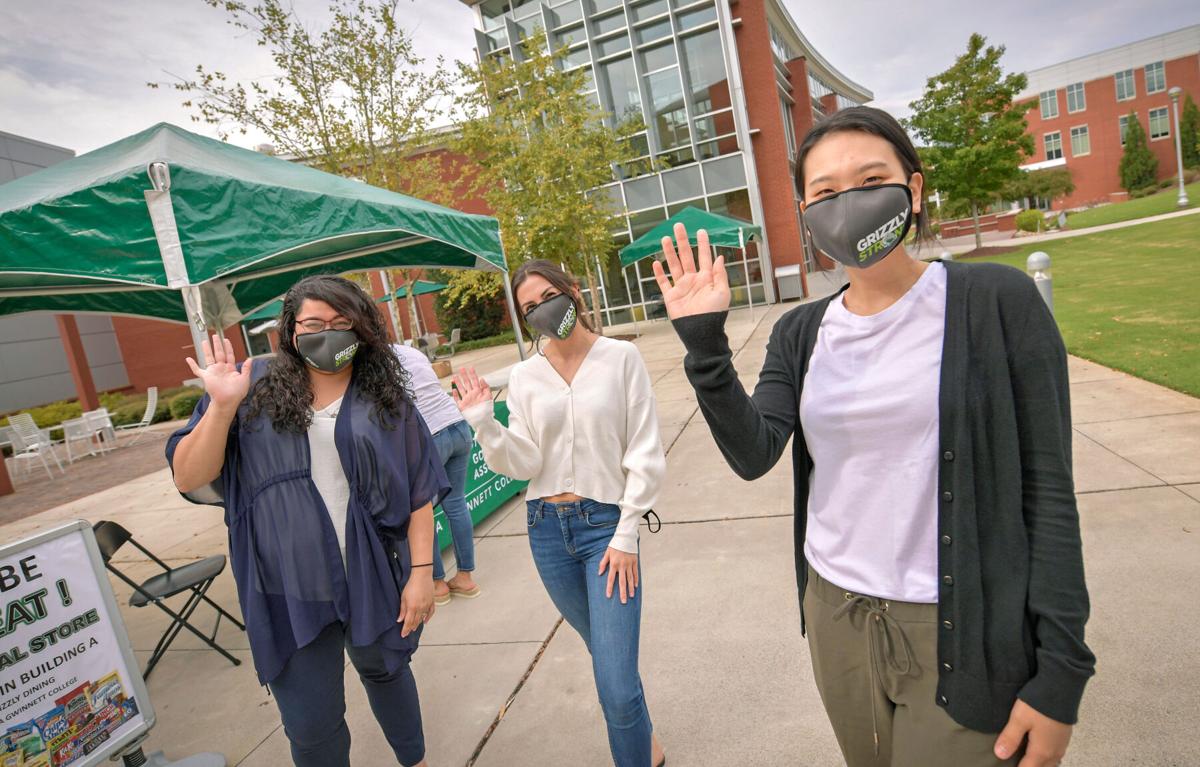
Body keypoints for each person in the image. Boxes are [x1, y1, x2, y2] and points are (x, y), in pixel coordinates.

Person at [653, 106, 1094, 767]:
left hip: (961, 624)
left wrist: (1062, 673)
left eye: (870, 180)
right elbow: (753, 452)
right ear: (806, 212)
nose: (848, 203)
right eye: (826, 193)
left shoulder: (999, 303)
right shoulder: (799, 333)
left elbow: (1049, 493)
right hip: (836, 618)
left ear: (913, 191)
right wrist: (706, 348)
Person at [166, 275, 449, 767]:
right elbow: (190, 474)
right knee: (312, 725)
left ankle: (415, 759)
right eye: (314, 324)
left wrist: (422, 575)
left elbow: (418, 493)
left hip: (373, 575)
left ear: (362, 331)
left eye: (342, 324)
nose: (329, 334)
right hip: (289, 588)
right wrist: (222, 407)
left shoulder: (385, 399)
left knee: (387, 672)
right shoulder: (252, 387)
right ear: (291, 330)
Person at [450, 260, 668, 767]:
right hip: (547, 533)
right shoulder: (526, 376)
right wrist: (486, 426)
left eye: (549, 295)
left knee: (614, 685)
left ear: (573, 290)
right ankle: (646, 744)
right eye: (529, 307)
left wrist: (627, 533)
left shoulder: (621, 358)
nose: (543, 309)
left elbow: (645, 452)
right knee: (608, 657)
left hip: (605, 530)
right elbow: (526, 463)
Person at [392, 341, 481, 605]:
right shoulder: (411, 351)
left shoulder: (376, 361)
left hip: (430, 435)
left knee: (422, 509)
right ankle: (465, 578)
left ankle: (438, 583)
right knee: (456, 503)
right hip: (457, 425)